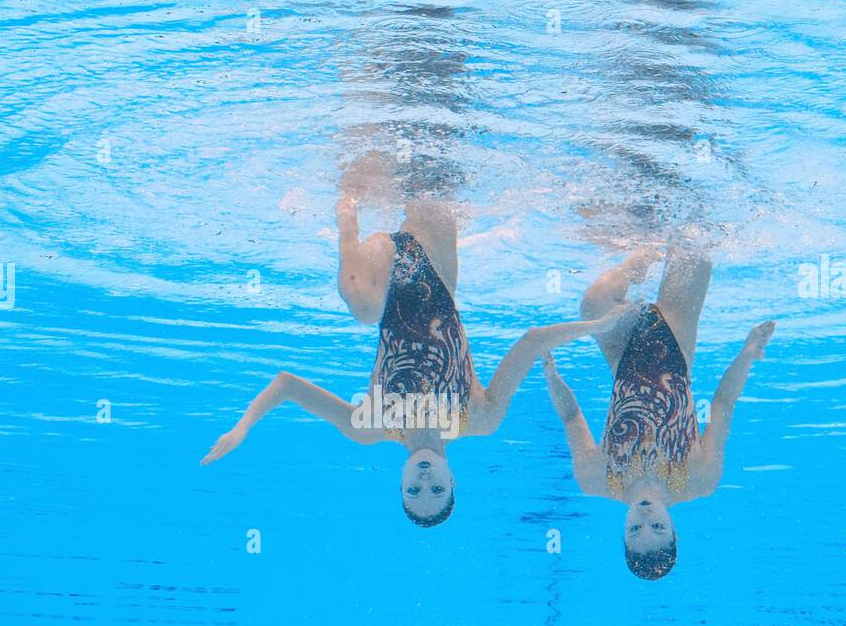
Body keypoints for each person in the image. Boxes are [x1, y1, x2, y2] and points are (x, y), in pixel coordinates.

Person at [201, 195, 624, 528]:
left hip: (381, 275)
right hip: (436, 261)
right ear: (452, 481)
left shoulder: (369, 426)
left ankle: (347, 212)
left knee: (366, 307)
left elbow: (287, 385)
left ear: (399, 486)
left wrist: (243, 426)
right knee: (428, 164)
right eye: (436, 488)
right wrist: (597, 324)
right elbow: (530, 342)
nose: (424, 480)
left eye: (413, 491)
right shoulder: (479, 419)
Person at [542, 243, 776, 578]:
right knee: (696, 242)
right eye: (658, 529)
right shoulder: (700, 480)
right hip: (675, 345)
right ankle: (656, 236)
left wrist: (552, 376)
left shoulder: (595, 480)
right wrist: (748, 352)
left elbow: (570, 418)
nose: (645, 519)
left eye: (635, 531)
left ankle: (643, 248)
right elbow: (722, 405)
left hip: (621, 354)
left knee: (594, 304)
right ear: (675, 531)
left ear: (622, 533)